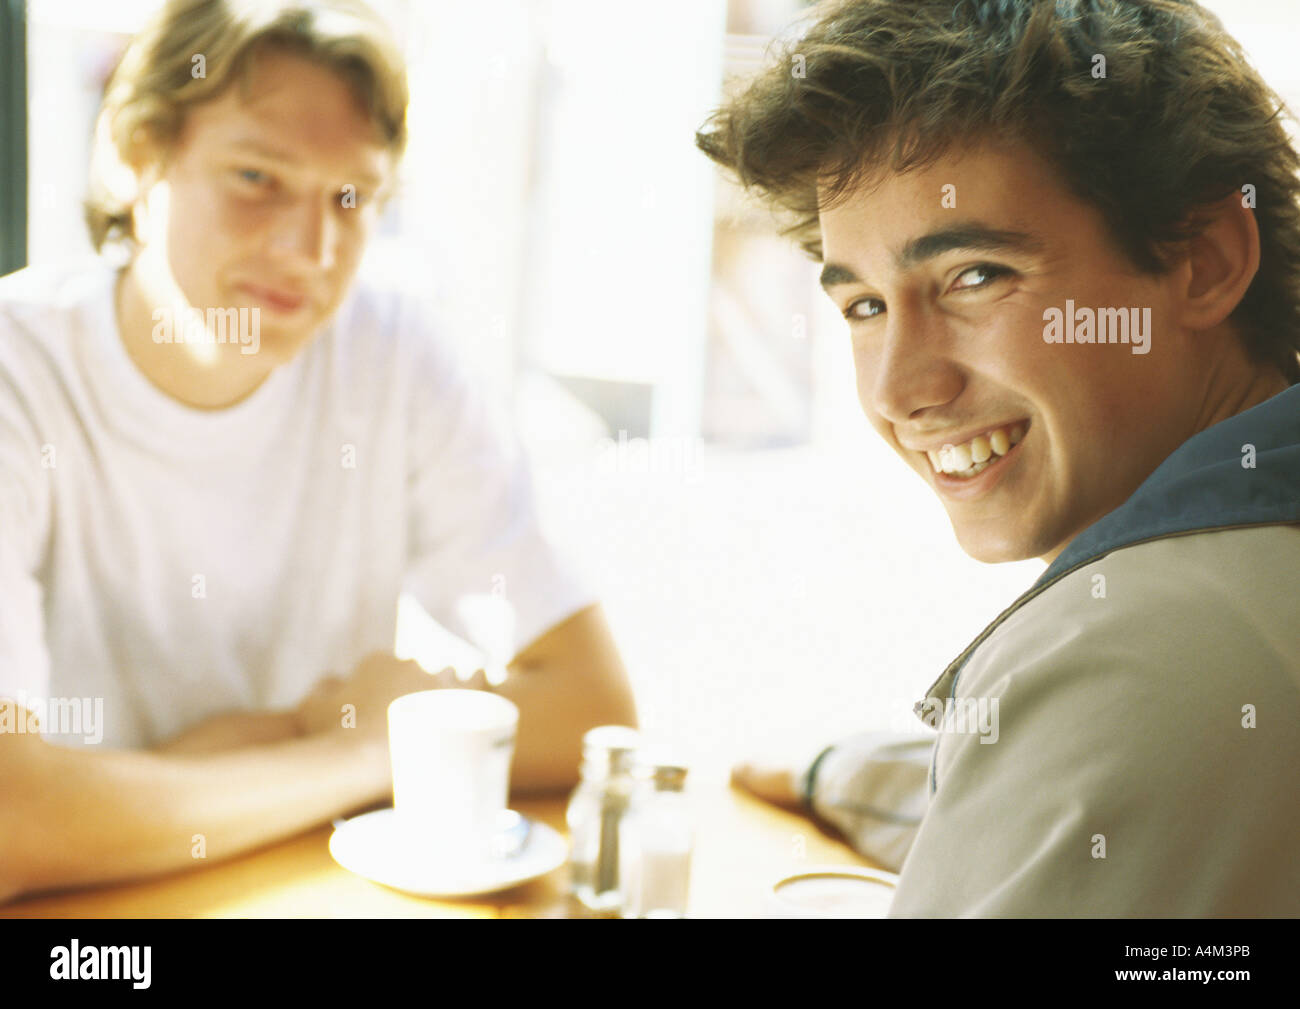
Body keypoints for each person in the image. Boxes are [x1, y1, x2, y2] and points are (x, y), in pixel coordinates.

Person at [0, 0, 635, 903]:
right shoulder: (16, 369)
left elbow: (593, 706)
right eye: (257, 175)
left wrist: (243, 754)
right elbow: (12, 825)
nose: (310, 249)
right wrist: (355, 746)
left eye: (351, 197)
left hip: (302, 887)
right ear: (134, 155)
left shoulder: (394, 353)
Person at [697, 0, 1300, 915]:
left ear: (1206, 259)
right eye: (863, 306)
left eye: (975, 277)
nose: (900, 389)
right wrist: (837, 771)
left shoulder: (1140, 645)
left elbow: (1112, 733)